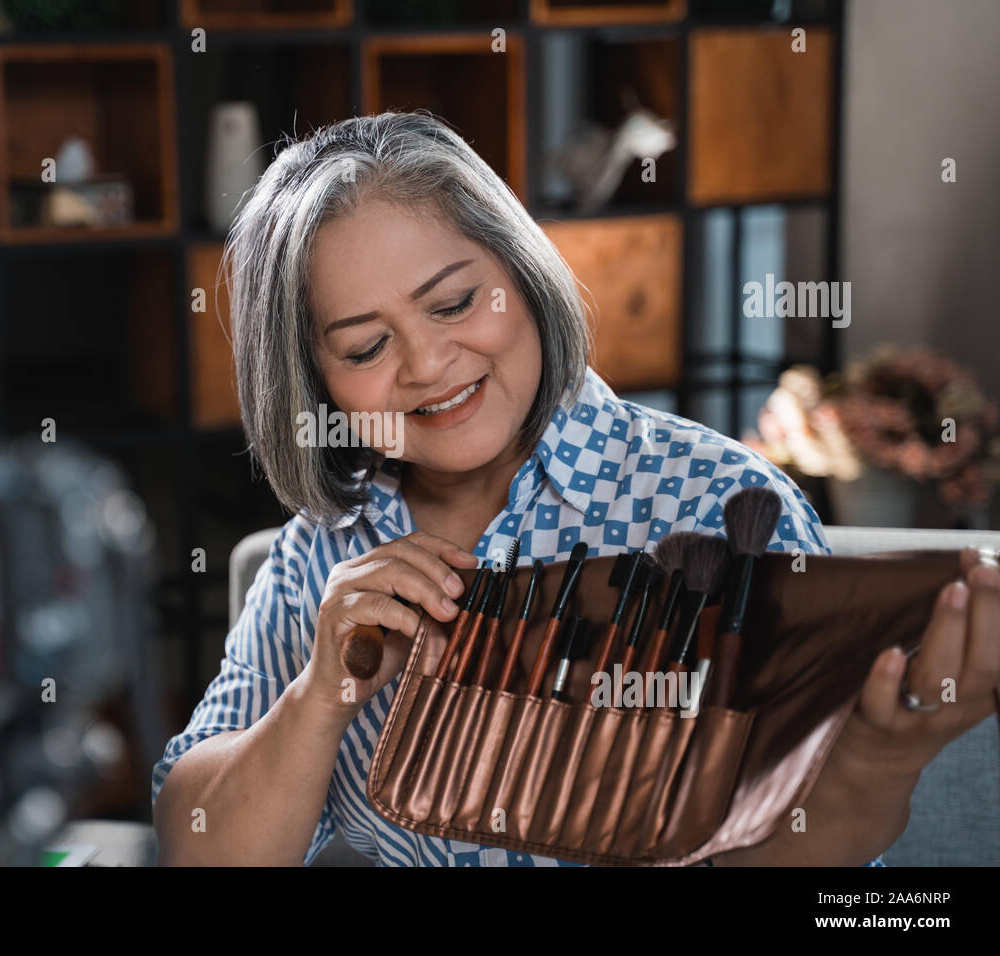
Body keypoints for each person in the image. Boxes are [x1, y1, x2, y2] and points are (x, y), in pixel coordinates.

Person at [152, 112, 1000, 866]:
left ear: (521, 273)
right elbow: (199, 847)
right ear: (315, 383)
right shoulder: (320, 554)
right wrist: (316, 701)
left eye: (453, 303)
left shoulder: (722, 504)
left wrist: (874, 763)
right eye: (367, 349)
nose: (426, 364)